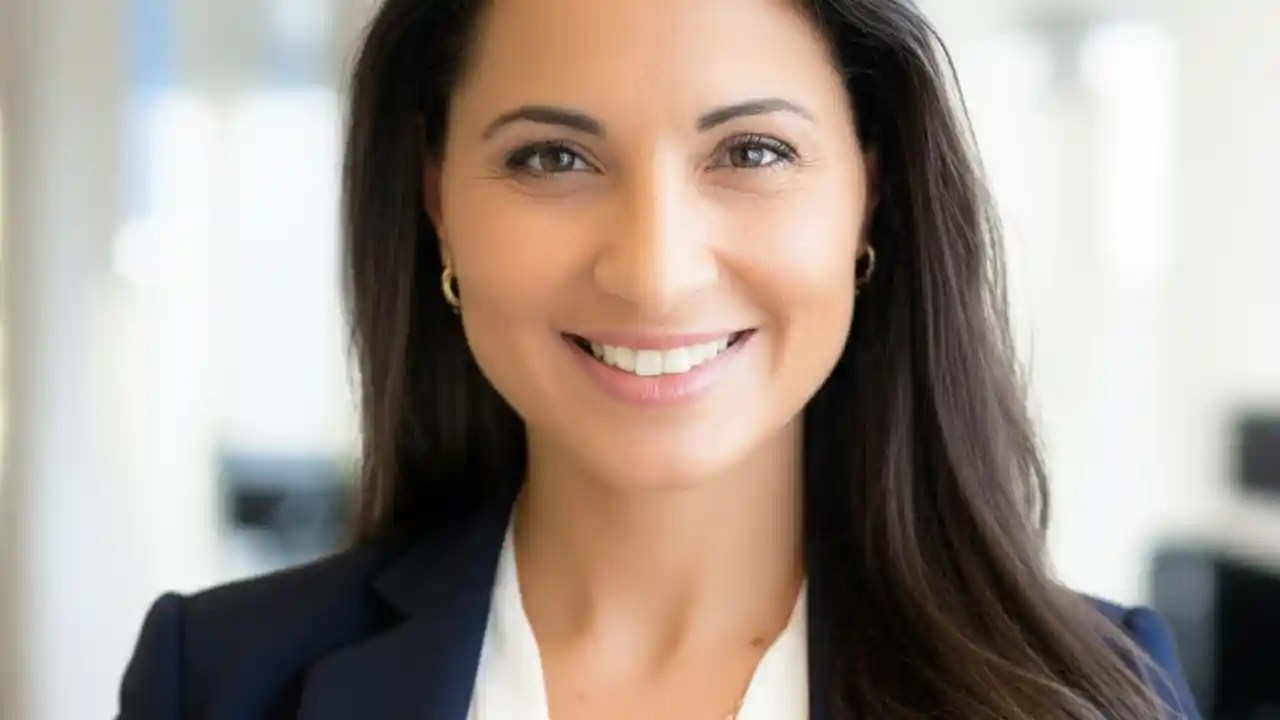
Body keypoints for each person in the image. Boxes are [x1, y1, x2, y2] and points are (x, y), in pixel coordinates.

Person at [117, 0, 1201, 718]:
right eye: (552, 156)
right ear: (435, 198)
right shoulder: (218, 679)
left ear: (867, 192)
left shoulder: (1090, 692)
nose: (654, 273)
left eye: (751, 152)